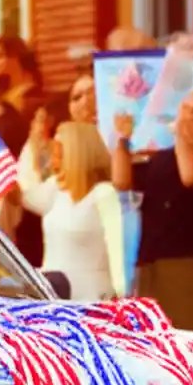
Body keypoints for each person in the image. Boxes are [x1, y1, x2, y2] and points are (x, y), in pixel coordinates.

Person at [111, 91, 193, 332]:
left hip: (191, 270)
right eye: (191, 110)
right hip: (151, 266)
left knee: (190, 346)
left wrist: (183, 138)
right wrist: (122, 139)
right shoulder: (160, 159)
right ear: (180, 111)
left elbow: (191, 177)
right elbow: (122, 181)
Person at [16, 120, 120, 301]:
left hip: (91, 297)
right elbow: (22, 195)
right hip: (53, 294)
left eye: (58, 154)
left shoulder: (105, 194)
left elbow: (120, 251)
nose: (52, 162)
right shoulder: (56, 188)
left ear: (76, 154)